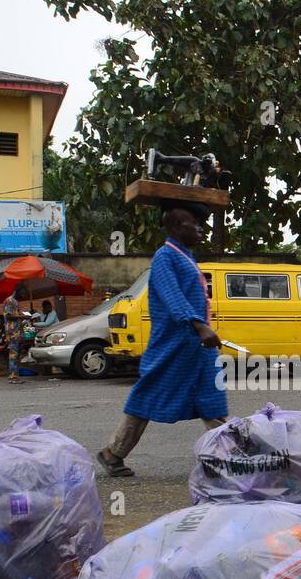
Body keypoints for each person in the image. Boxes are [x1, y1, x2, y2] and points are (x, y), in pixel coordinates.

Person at [97, 202, 227, 477]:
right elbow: (172, 297)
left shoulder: (186, 257)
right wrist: (199, 325)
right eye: (196, 224)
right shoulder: (165, 257)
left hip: (197, 348)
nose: (201, 229)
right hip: (173, 345)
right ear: (179, 226)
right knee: (146, 399)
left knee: (211, 399)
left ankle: (229, 456)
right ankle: (113, 453)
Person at [2, 291, 27, 383]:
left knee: (16, 355)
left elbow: (16, 314)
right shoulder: (9, 301)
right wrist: (20, 317)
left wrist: (24, 315)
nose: (23, 297)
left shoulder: (15, 301)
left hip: (16, 332)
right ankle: (13, 378)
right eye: (23, 294)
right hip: (12, 332)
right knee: (13, 355)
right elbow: (9, 316)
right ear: (17, 292)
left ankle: (15, 376)